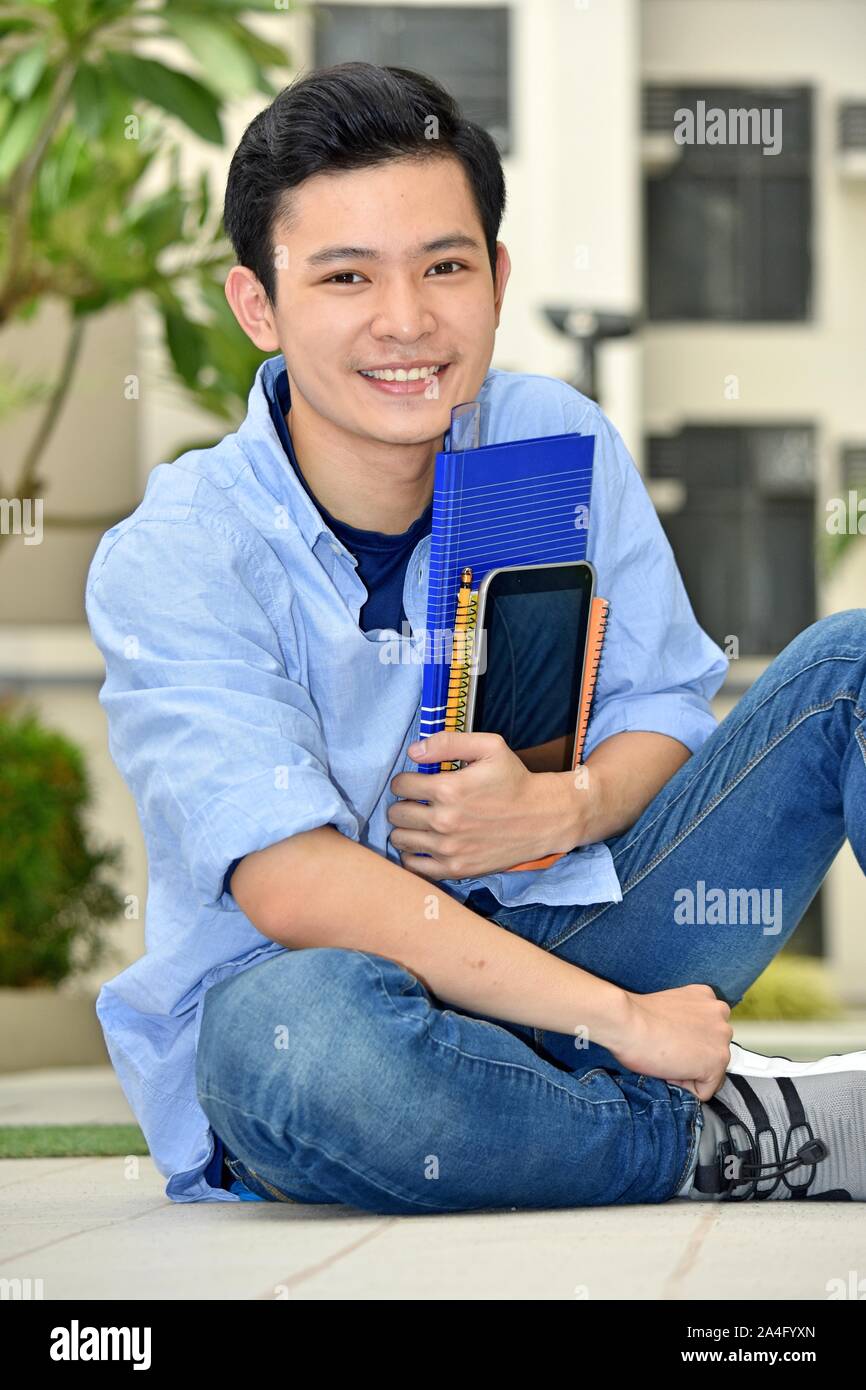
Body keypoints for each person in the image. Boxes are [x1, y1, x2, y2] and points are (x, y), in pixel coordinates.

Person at [85, 63, 866, 1210]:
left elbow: (661, 710)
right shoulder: (181, 549)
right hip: (356, 1018)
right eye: (346, 276)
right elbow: (291, 883)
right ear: (258, 303)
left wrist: (572, 806)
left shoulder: (546, 439)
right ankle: (712, 1138)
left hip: (575, 928)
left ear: (495, 277)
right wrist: (629, 1022)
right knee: (283, 1041)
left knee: (847, 665)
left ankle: (564, 1116)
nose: (405, 321)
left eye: (443, 266)